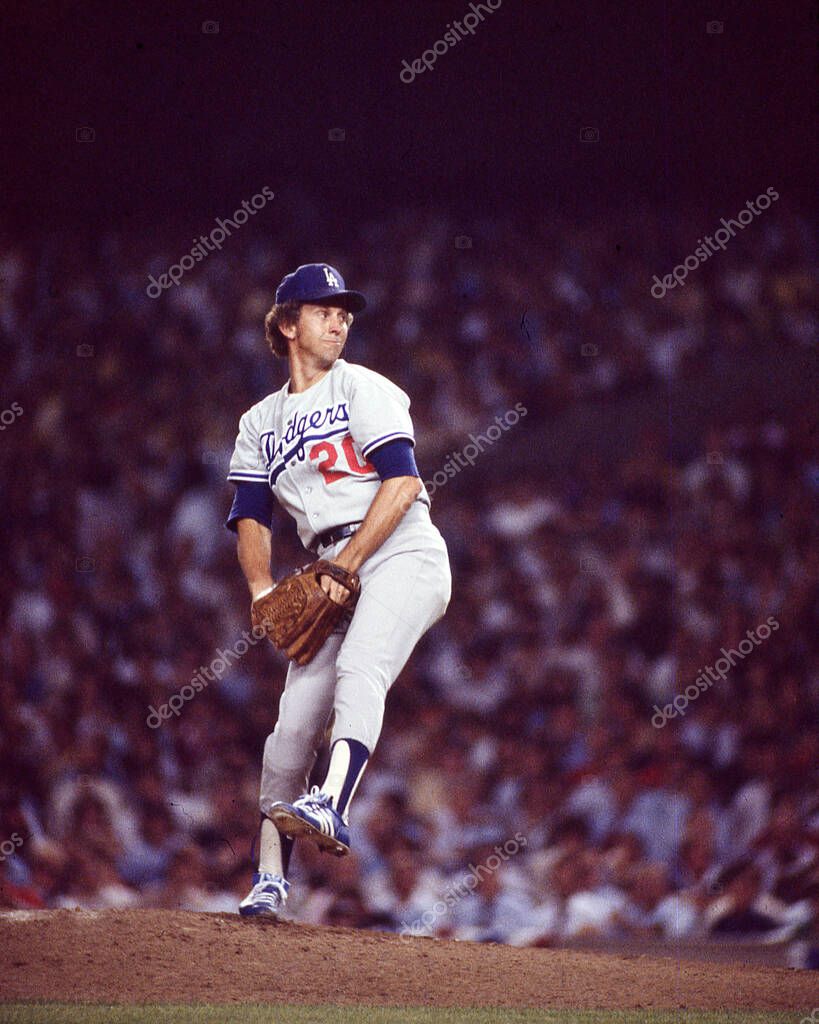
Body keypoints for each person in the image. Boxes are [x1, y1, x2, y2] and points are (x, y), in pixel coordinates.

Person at [226, 263, 451, 917]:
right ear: (288, 324)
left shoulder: (364, 388)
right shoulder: (258, 422)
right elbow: (249, 514)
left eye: (344, 311)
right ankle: (270, 879)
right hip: (327, 565)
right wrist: (263, 587)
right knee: (289, 732)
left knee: (361, 666)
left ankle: (332, 801)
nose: (339, 319)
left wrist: (346, 566)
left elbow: (402, 483)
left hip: (398, 548)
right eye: (323, 309)